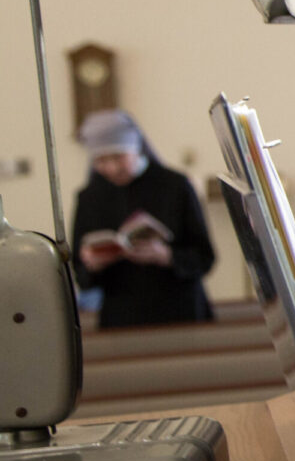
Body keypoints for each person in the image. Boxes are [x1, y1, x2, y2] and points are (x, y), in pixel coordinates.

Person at [70, 109, 215, 328]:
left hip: (180, 312)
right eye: (100, 160)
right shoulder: (89, 197)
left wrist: (167, 256)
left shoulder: (175, 186)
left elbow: (205, 257)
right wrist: (92, 264)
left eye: (118, 156)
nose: (111, 167)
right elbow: (80, 270)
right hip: (121, 316)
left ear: (135, 149)